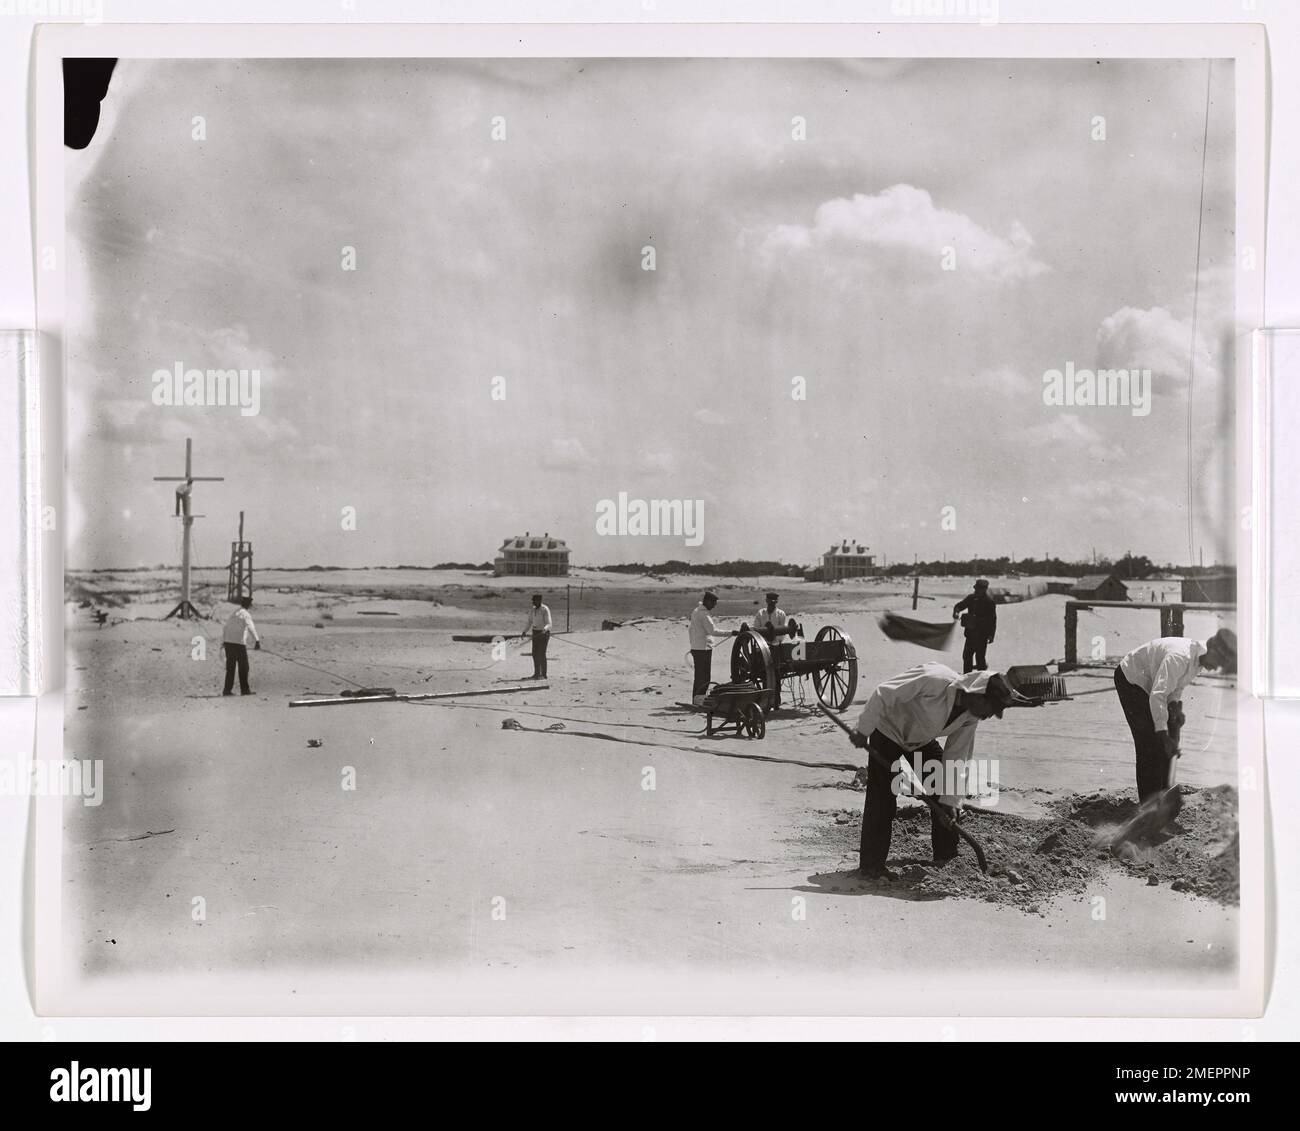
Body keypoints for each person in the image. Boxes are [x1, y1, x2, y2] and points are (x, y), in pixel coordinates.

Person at [849, 664, 1026, 880]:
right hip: (887, 731)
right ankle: (871, 866)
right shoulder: (933, 679)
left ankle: (947, 858)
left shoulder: (971, 716)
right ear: (978, 694)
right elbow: (884, 692)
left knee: (943, 794)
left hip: (920, 740)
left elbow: (957, 757)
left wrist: (951, 801)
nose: (990, 715)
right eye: (991, 707)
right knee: (882, 796)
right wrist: (863, 728)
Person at [1114, 628, 1236, 805]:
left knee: (1164, 738)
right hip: (1131, 680)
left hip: (1151, 685)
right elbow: (1158, 695)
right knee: (1149, 743)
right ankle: (1149, 806)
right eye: (1219, 661)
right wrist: (1163, 735)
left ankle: (1163, 793)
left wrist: (1174, 707)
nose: (1217, 668)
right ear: (1213, 650)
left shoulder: (1197, 662)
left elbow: (1175, 688)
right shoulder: (1180, 657)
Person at [688, 590, 738, 705]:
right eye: (713, 603)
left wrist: (693, 645)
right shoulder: (703, 614)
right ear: (707, 601)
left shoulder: (696, 611)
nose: (714, 606)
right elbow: (713, 631)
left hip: (698, 648)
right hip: (702, 650)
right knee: (703, 677)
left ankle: (698, 699)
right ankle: (698, 700)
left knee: (700, 676)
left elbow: (690, 630)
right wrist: (732, 632)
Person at [953, 578, 997, 673]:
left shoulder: (989, 602)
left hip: (982, 635)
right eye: (976, 588)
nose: (976, 591)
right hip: (970, 634)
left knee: (980, 658)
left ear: (984, 589)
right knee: (967, 657)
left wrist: (991, 635)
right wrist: (956, 612)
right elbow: (959, 606)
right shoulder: (971, 598)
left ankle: (981, 679)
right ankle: (966, 677)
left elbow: (992, 620)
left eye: (979, 589)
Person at [221, 595, 261, 696]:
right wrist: (257, 640)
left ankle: (227, 690)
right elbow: (251, 627)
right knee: (244, 667)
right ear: (248, 605)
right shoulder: (246, 614)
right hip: (239, 644)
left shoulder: (234, 613)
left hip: (228, 643)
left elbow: (226, 627)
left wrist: (224, 640)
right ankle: (245, 690)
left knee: (230, 668)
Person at [521, 593, 552, 679]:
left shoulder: (545, 609)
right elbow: (529, 622)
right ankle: (537, 673)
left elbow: (549, 623)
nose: (533, 602)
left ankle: (544, 674)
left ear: (539, 601)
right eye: (533, 601)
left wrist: (544, 629)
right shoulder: (532, 610)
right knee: (535, 654)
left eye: (535, 601)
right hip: (535, 633)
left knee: (542, 653)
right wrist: (524, 631)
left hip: (543, 634)